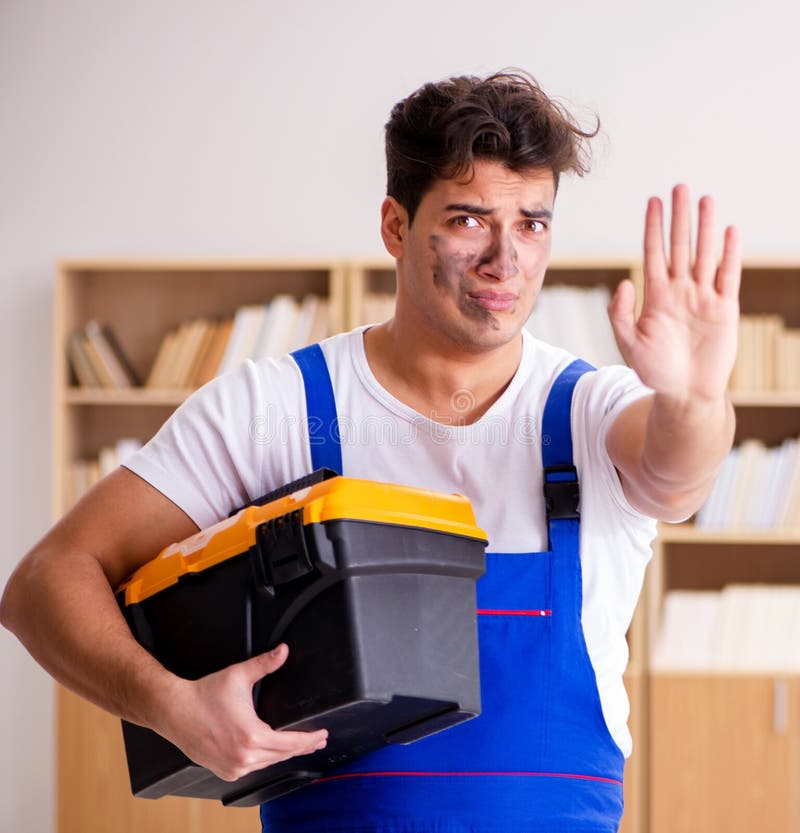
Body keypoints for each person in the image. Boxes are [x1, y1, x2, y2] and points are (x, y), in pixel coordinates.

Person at [1, 71, 740, 832]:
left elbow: (674, 472)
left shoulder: (588, 410)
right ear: (395, 226)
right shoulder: (275, 410)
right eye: (468, 219)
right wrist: (171, 706)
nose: (505, 260)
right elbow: (42, 584)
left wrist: (694, 400)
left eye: (531, 224)